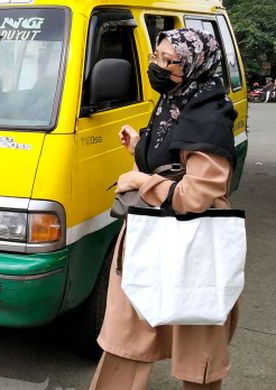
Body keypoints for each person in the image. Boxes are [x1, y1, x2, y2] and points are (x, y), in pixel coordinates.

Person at [90, 28, 238, 390]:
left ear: (193, 65)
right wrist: (139, 146)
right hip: (153, 230)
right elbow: (170, 157)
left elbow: (197, 194)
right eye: (156, 56)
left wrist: (142, 183)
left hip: (193, 241)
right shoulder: (176, 99)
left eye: (166, 60)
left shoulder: (209, 113)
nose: (156, 66)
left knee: (195, 332)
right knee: (126, 330)